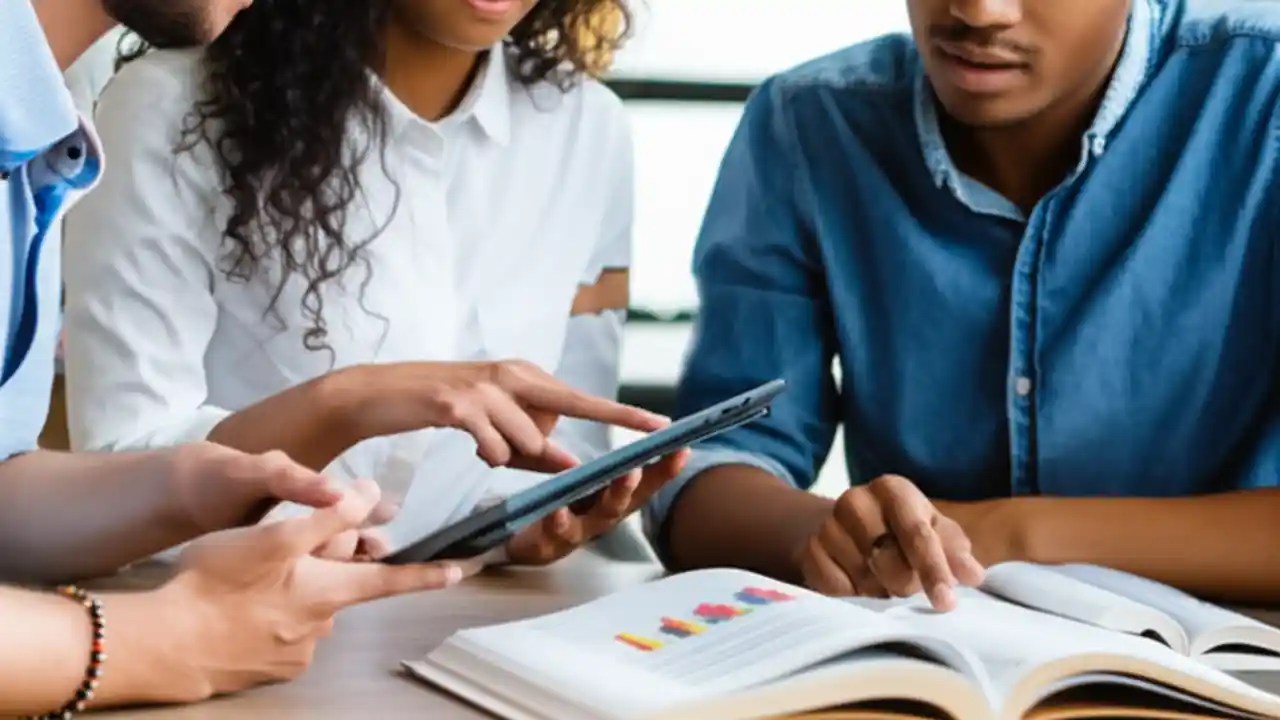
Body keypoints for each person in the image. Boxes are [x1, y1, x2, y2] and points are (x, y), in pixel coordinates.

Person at [3, 0, 672, 715]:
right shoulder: (148, 109)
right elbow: (105, 472)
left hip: (434, 633)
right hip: (222, 653)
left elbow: (12, 495)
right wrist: (135, 641)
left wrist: (511, 518)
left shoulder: (45, 138)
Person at [645, 0, 1280, 612]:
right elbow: (709, 464)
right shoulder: (809, 121)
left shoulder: (1264, 93)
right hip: (930, 661)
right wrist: (839, 536)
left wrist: (1009, 534)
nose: (979, 12)